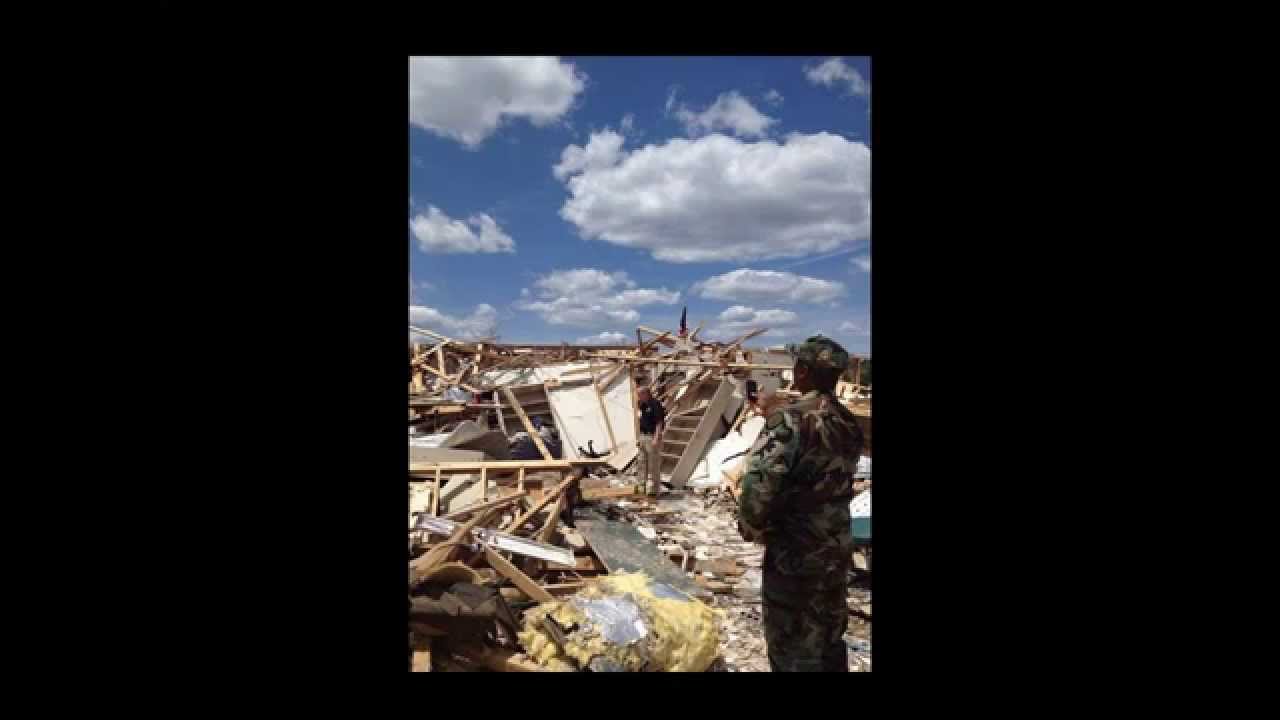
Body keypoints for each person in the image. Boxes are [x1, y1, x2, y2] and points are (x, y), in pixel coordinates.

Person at [737, 335, 864, 672]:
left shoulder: (791, 420)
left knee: (791, 644)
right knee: (828, 639)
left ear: (803, 371)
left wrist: (752, 528)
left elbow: (760, 485)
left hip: (795, 552)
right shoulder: (849, 423)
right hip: (835, 547)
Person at [635, 384, 666, 496]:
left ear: (646, 394)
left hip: (652, 436)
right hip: (643, 436)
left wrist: (656, 438)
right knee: (641, 463)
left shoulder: (655, 404)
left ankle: (655, 490)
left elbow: (659, 422)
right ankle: (641, 487)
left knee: (653, 465)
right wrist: (639, 437)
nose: (638, 396)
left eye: (640, 394)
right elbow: (641, 420)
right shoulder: (643, 405)